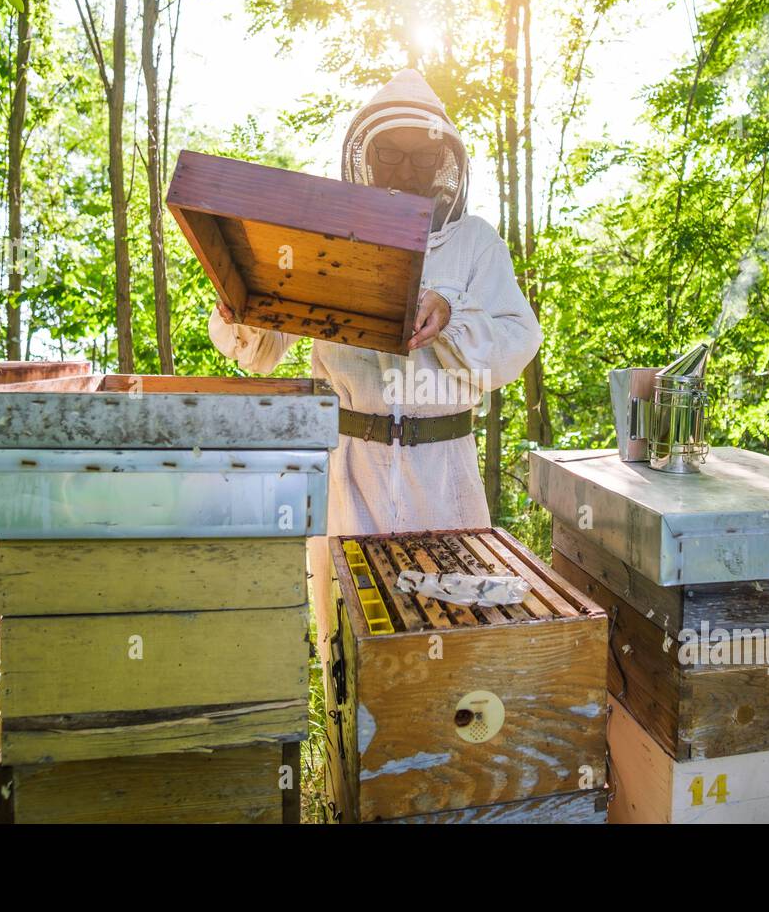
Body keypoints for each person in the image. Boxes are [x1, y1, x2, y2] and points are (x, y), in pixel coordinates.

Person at [208, 67, 542, 628]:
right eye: (390, 155)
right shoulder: (328, 238)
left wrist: (451, 316)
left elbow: (518, 338)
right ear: (365, 155)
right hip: (348, 472)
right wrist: (237, 306)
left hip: (444, 473)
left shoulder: (475, 242)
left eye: (421, 157)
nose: (406, 171)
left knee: (453, 630)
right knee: (353, 634)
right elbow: (262, 347)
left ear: (445, 163)